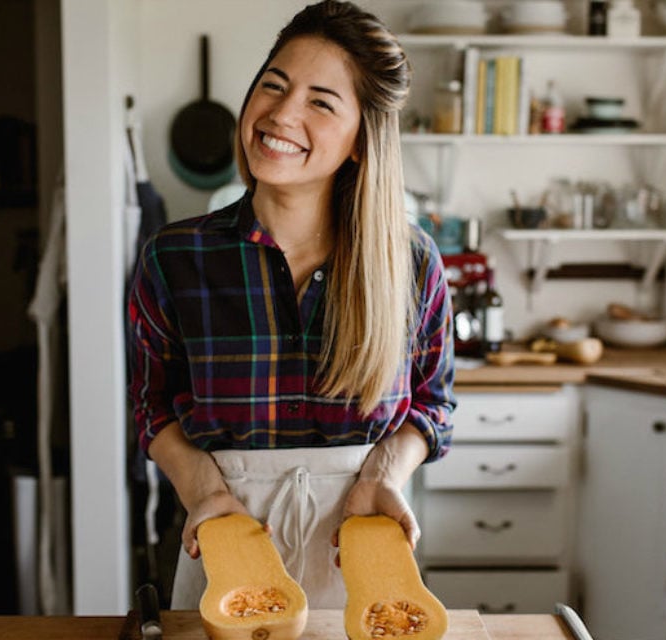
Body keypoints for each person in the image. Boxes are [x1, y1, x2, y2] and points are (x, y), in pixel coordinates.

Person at [128, 0, 455, 610]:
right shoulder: (174, 257)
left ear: (361, 141)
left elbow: (433, 404)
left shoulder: (412, 264)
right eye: (273, 85)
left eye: (320, 102)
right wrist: (204, 491)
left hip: (363, 554)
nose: (280, 113)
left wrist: (384, 475)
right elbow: (150, 405)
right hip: (224, 545)